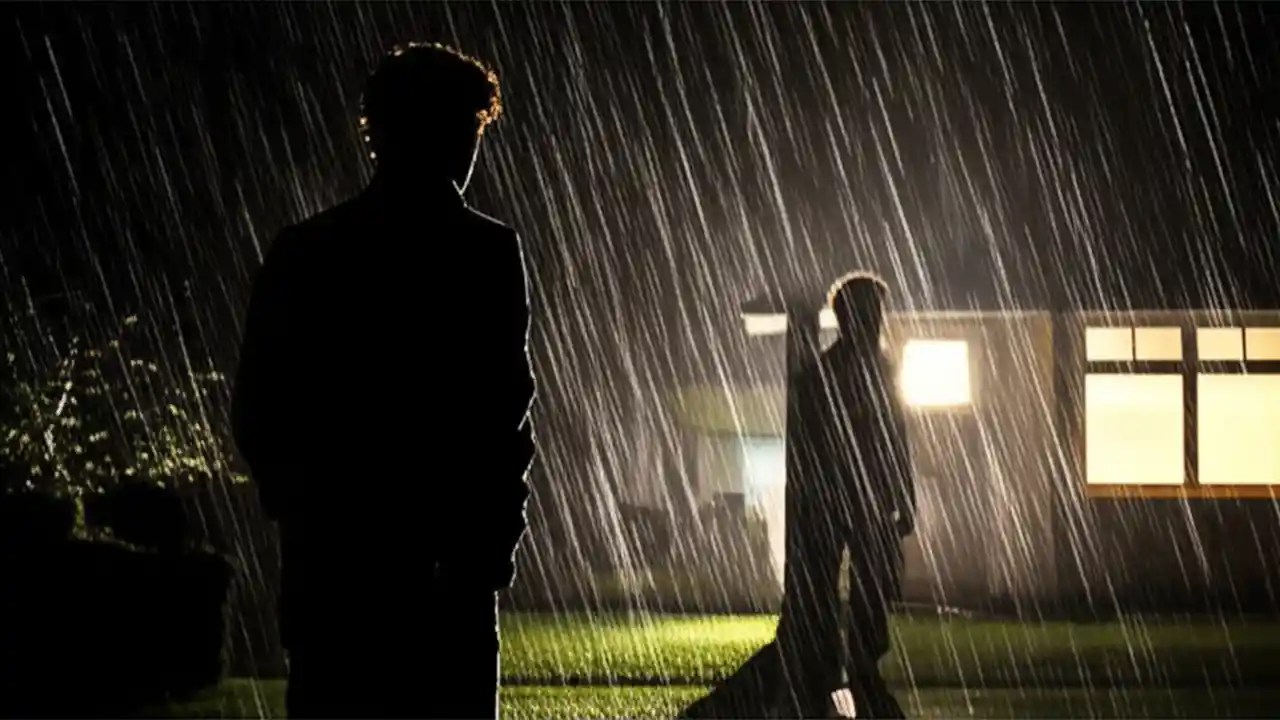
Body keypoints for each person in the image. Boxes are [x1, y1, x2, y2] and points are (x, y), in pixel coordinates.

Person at [230, 42, 536, 719]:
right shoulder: (486, 256)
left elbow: (259, 413)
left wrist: (313, 516)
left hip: (334, 580)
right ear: (464, 136)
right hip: (448, 580)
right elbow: (503, 417)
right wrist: (486, 544)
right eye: (468, 129)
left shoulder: (306, 253)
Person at [681, 272, 914, 719]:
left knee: (845, 589)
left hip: (842, 505)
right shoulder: (868, 375)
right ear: (858, 318)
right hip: (859, 504)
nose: (876, 322)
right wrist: (899, 498)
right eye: (872, 313)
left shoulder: (826, 376)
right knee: (862, 589)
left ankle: (837, 666)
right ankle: (852, 667)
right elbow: (892, 442)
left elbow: (886, 441)